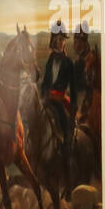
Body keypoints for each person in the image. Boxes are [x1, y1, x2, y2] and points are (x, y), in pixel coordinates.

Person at [41, 24, 78, 194]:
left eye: (62, 40)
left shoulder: (69, 63)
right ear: (53, 41)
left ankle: (68, 181)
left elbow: (74, 89)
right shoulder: (49, 60)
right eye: (57, 40)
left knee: (66, 137)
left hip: (61, 103)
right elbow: (44, 84)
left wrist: (73, 112)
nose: (60, 43)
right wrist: (42, 97)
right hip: (48, 102)